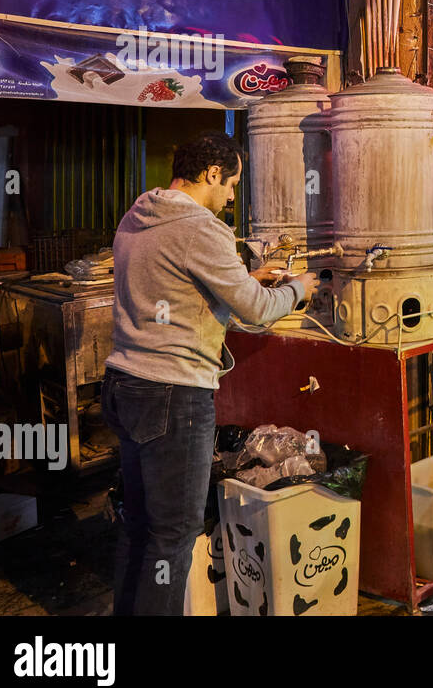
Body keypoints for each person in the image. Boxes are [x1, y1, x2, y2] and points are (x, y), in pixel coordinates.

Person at [102, 133, 319, 615]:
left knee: (140, 526)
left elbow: (177, 283)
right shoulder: (202, 228)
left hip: (124, 384)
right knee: (173, 536)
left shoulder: (138, 214)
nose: (232, 197)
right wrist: (300, 288)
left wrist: (241, 282)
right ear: (212, 174)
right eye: (232, 184)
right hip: (173, 395)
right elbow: (258, 312)